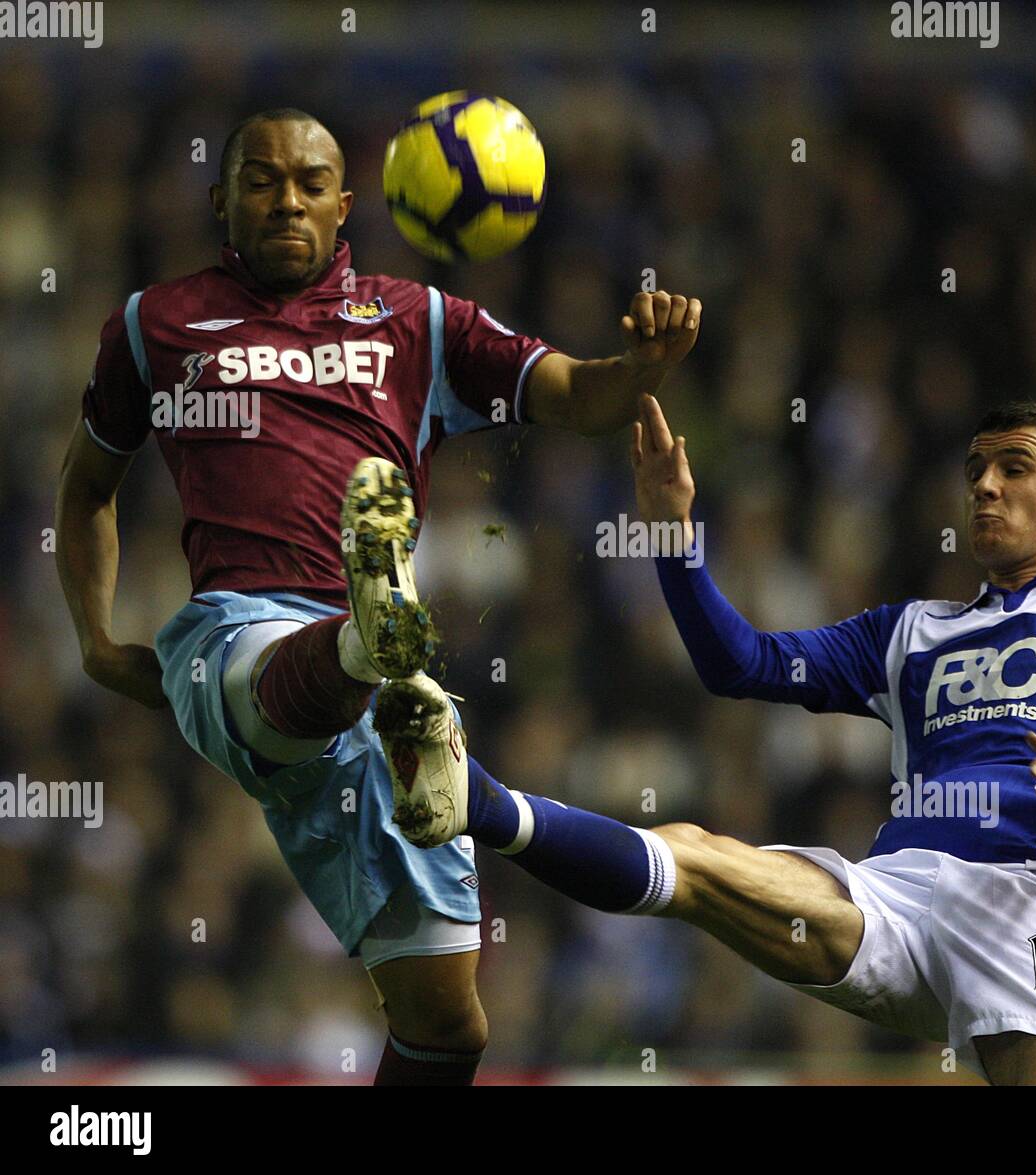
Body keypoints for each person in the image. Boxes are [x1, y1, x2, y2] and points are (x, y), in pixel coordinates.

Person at [54, 107, 701, 1085]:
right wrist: (97, 638)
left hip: (385, 734)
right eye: (262, 180)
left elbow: (578, 394)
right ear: (220, 199)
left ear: (346, 204)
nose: (286, 199)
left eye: (310, 182)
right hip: (229, 636)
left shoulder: (418, 321)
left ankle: (371, 647)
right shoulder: (154, 325)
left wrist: (645, 366)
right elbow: (85, 488)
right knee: (282, 667)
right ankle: (368, 640)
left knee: (450, 1027)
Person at [394, 393, 1036, 1085]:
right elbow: (743, 665)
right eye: (976, 468)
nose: (984, 485)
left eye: (1014, 468)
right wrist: (673, 536)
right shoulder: (912, 629)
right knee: (694, 858)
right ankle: (480, 803)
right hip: (899, 896)